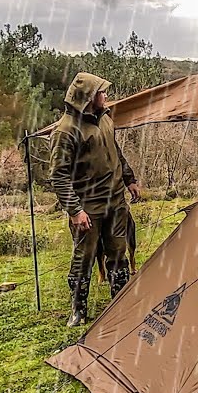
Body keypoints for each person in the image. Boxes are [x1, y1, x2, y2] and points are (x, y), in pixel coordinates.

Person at [48, 72, 142, 327]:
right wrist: (75, 211)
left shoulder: (106, 119)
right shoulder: (65, 131)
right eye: (102, 92)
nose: (107, 95)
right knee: (84, 257)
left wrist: (129, 179)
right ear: (90, 97)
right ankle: (78, 309)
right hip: (87, 207)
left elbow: (115, 152)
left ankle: (119, 303)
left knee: (118, 252)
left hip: (115, 201)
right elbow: (58, 176)